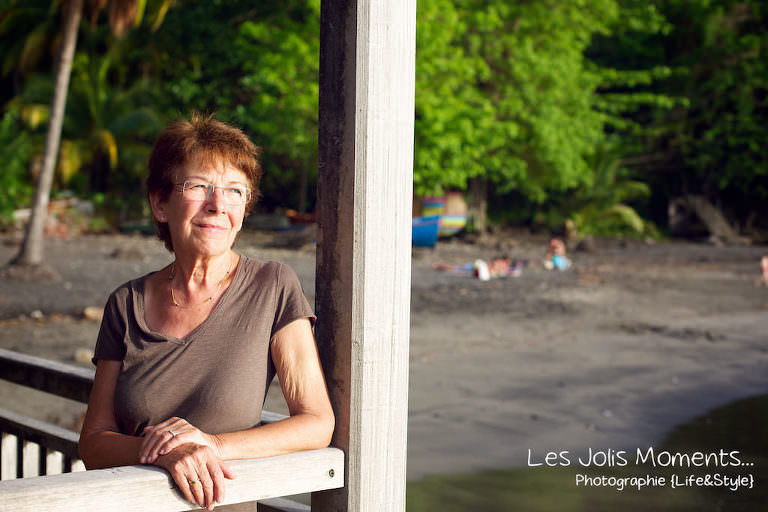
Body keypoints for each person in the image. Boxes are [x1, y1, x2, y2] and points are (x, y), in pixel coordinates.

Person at [78, 114, 335, 511]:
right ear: (161, 203)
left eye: (235, 190)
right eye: (199, 186)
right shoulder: (125, 303)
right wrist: (162, 453)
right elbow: (94, 442)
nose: (218, 205)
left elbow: (317, 422)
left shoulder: (273, 286)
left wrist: (212, 445)